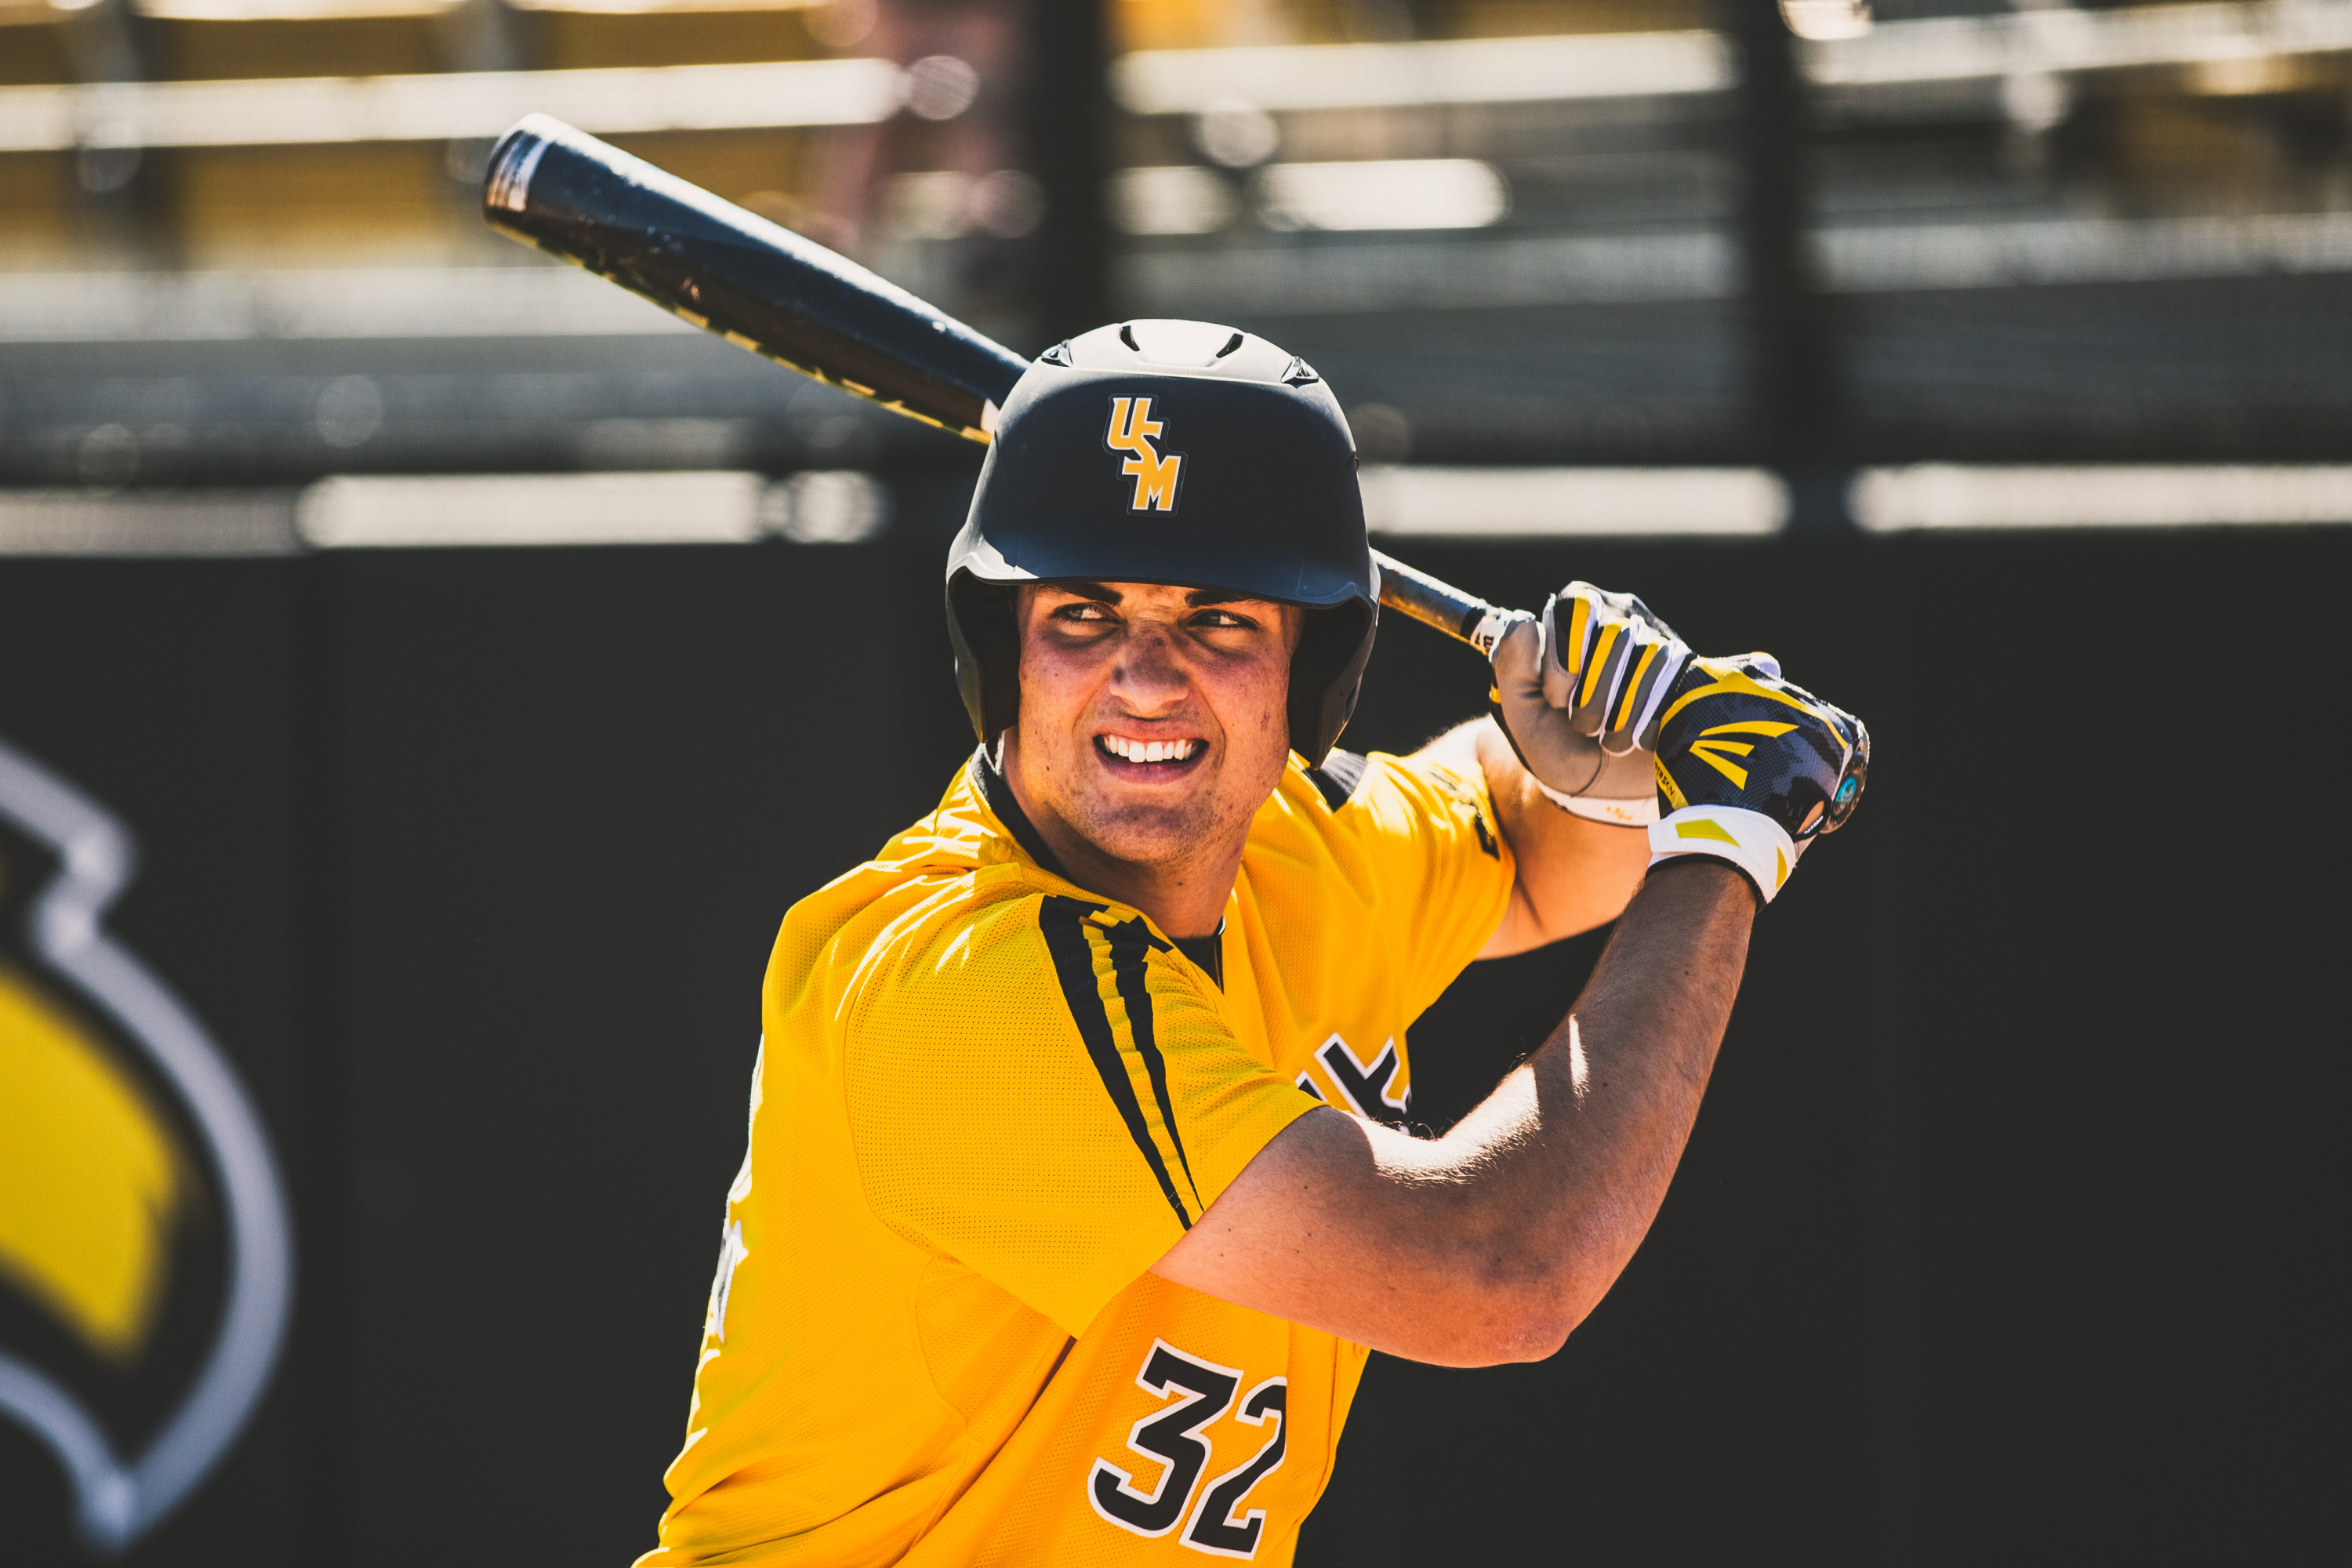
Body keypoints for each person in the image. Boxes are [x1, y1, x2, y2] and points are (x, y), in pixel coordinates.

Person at [634, 319, 1867, 1566]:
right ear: (998, 648)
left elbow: (1527, 842)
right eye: (1083, 613)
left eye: (1217, 618)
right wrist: (1727, 843)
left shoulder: (1296, 846)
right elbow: (1501, 1273)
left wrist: (1610, 768)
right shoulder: (960, 986)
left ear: (1310, 666)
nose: (1145, 677)